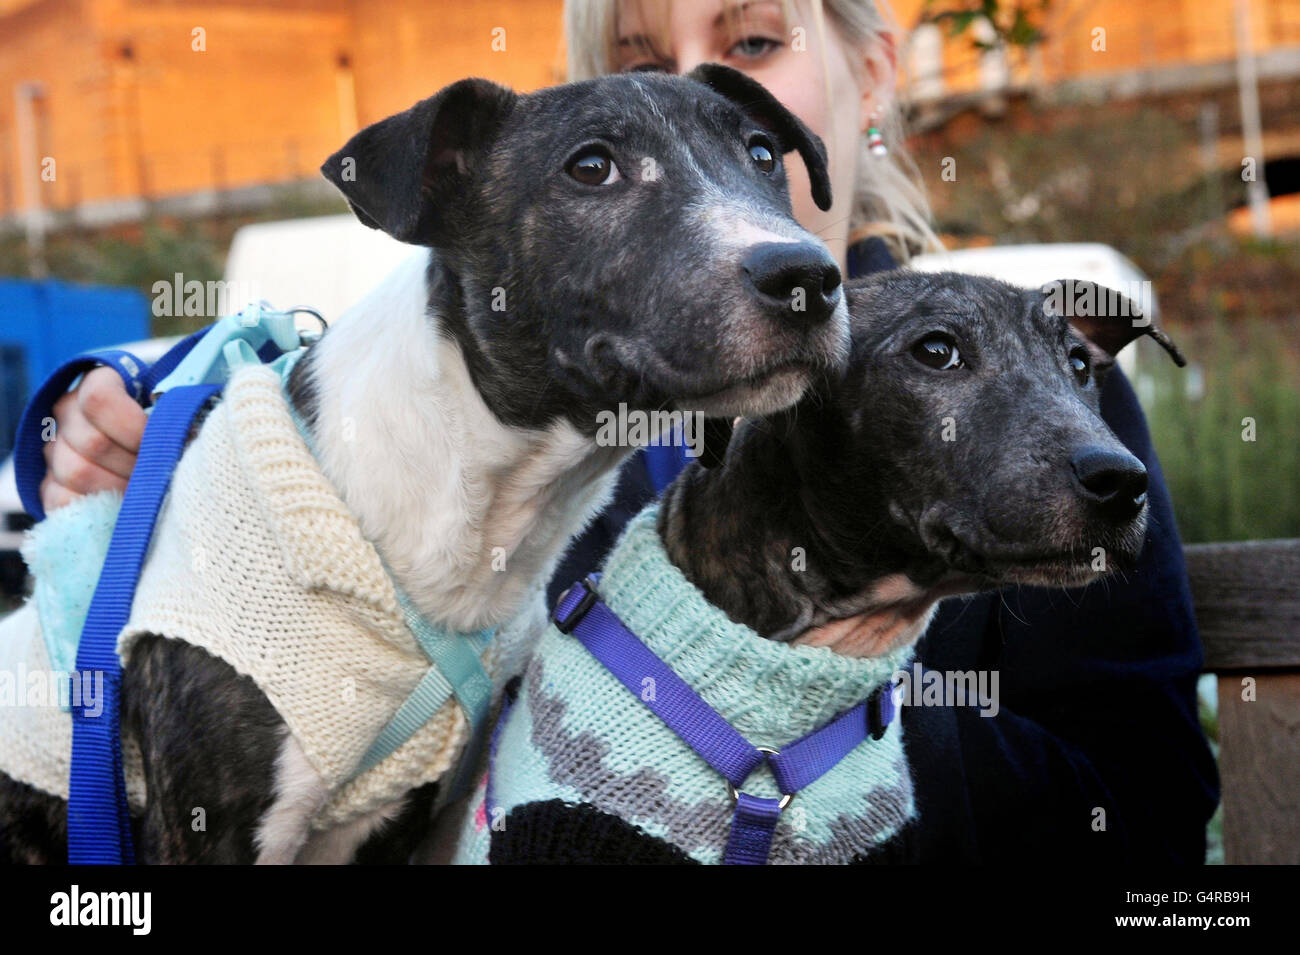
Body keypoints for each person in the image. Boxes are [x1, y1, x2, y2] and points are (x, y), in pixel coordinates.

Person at [37, 0, 1218, 862]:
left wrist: (792, 729)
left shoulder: (1045, 394)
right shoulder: (581, 395)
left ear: (871, 70)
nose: (703, 93)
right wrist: (105, 406)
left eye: (751, 45)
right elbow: (346, 408)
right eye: (642, 67)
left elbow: (1142, 802)